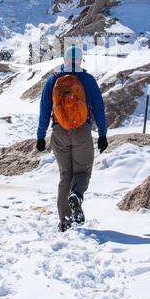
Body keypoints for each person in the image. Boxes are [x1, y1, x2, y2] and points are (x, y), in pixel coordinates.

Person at [36, 44, 107, 231]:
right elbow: (99, 108)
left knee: (65, 175)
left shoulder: (54, 80)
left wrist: (41, 136)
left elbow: (44, 110)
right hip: (82, 131)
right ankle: (77, 194)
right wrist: (102, 134)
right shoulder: (88, 80)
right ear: (80, 60)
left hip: (59, 132)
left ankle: (65, 221)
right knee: (82, 171)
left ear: (65, 61)